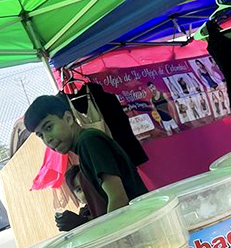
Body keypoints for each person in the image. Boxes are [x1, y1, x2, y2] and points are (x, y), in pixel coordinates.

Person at [24, 95, 147, 224]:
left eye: (49, 127)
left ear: (68, 118)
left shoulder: (88, 141)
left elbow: (118, 198)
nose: (47, 139)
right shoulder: (85, 145)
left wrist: (106, 232)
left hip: (138, 223)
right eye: (41, 135)